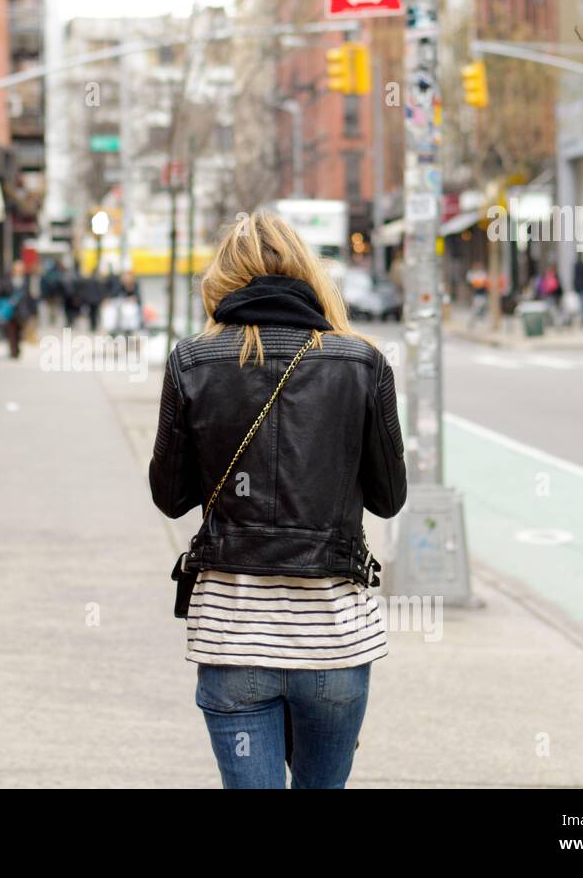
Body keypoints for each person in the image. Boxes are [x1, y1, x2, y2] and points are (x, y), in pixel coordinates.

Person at [148, 211, 406, 790]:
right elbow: (390, 500)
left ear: (222, 278)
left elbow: (170, 497)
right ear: (311, 273)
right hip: (333, 641)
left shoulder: (192, 362)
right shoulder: (361, 362)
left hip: (234, 637)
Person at [0, 260, 35, 359]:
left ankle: (17, 348)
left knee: (20, 331)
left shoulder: (26, 280)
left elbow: (29, 297)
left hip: (22, 310)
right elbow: (0, 293)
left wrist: (32, 311)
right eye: (17, 268)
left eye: (20, 269)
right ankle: (13, 350)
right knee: (11, 330)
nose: (18, 270)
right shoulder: (7, 280)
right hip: (11, 310)